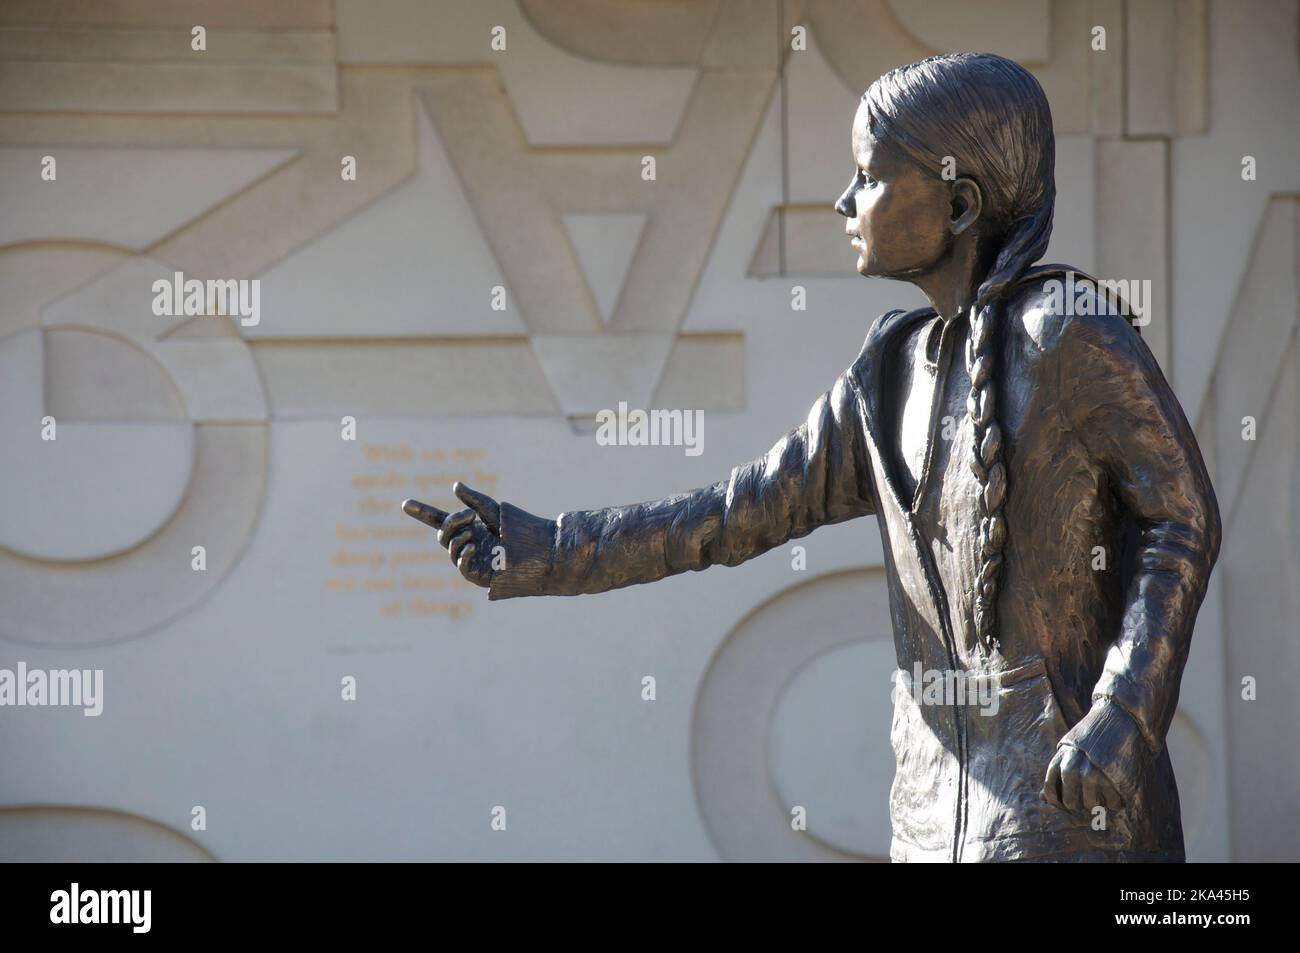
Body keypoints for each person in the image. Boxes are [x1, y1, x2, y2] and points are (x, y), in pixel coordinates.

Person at [404, 53, 1221, 862]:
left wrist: (1124, 712)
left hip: (1067, 813)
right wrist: (543, 549)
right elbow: (730, 515)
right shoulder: (886, 372)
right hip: (929, 814)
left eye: (869, 175)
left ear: (960, 204)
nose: (845, 199)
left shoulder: (1069, 332)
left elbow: (1180, 517)